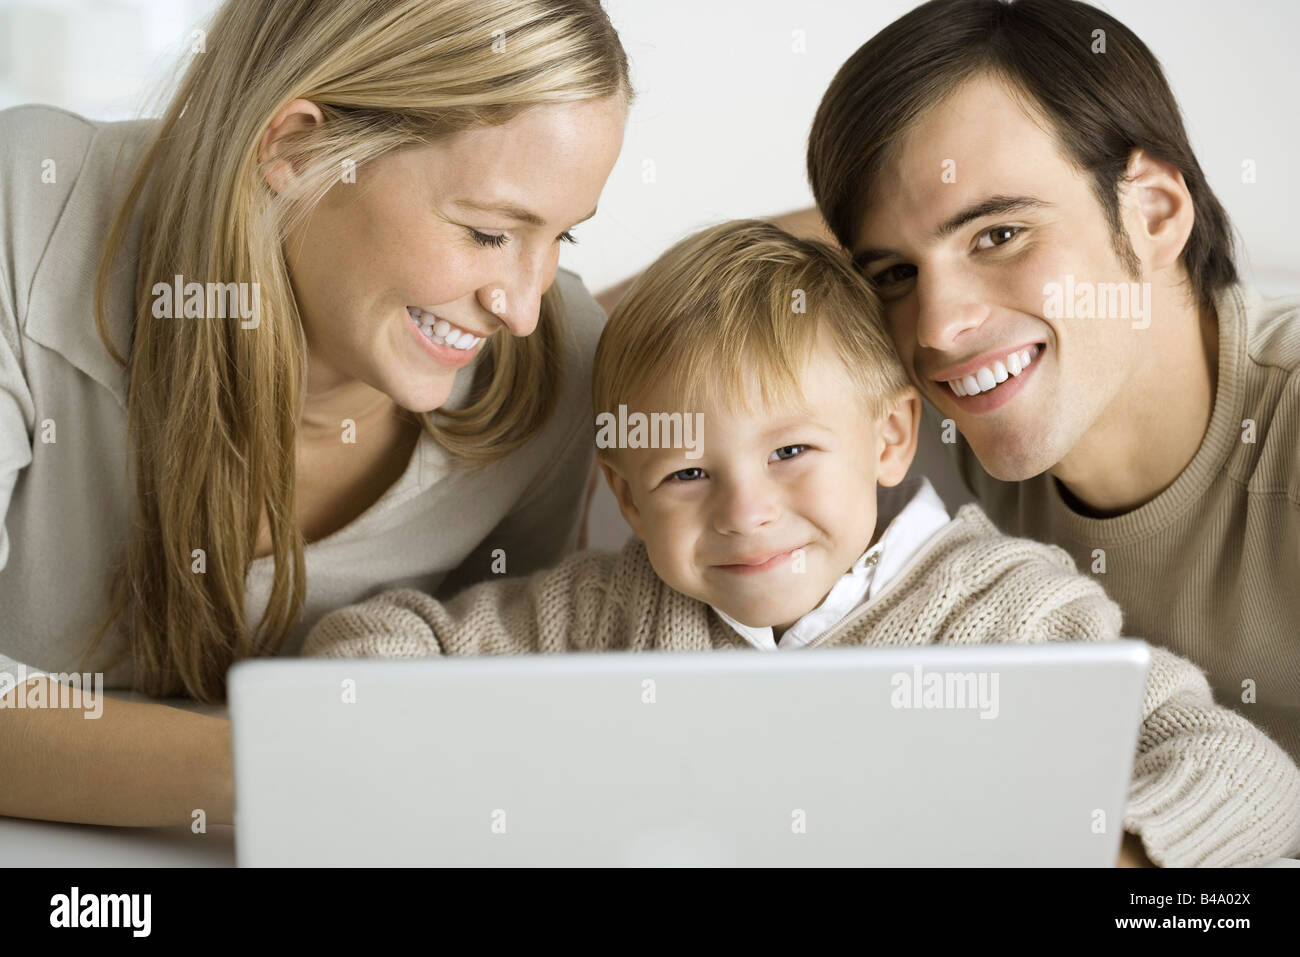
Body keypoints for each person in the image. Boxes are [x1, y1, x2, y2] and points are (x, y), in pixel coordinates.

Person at [302, 220, 1300, 867]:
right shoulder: (603, 611)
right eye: (686, 474)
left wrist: (1110, 852)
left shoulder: (1010, 608)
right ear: (627, 497)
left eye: (790, 452)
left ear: (889, 438)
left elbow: (1244, 772)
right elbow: (376, 646)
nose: (746, 511)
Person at [0, 0, 630, 826]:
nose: (520, 308)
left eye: (562, 239)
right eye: (486, 234)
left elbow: (485, 708)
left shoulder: (558, 367)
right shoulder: (26, 210)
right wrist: (291, 769)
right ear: (296, 149)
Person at [800, 0, 1299, 765]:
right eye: (895, 272)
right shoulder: (939, 422)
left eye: (999, 235)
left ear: (1155, 213)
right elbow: (740, 278)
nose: (938, 328)